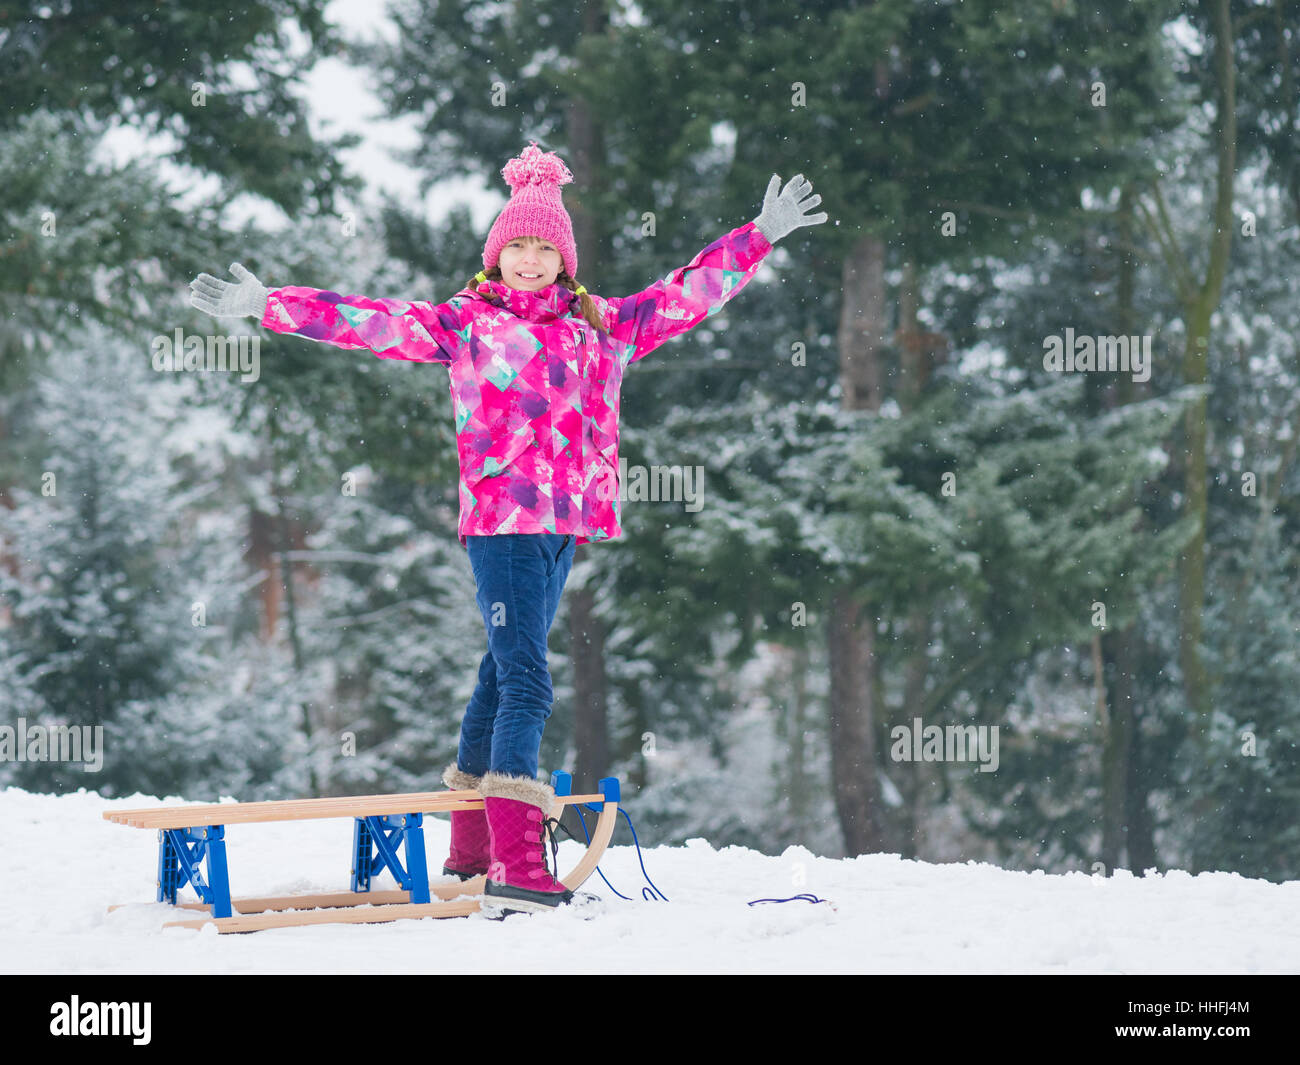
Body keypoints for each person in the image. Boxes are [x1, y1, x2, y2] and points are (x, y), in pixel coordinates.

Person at [190, 140, 827, 913]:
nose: (529, 260)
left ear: (564, 257)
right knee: (528, 678)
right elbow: (373, 322)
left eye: (543, 247)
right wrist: (271, 305)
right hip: (501, 524)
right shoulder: (469, 322)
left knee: (500, 674)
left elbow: (683, 295)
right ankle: (518, 862)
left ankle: (468, 851)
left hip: (563, 527)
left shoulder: (600, 326)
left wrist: (757, 235)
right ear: (497, 255)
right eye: (516, 246)